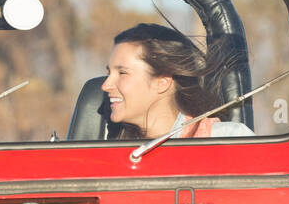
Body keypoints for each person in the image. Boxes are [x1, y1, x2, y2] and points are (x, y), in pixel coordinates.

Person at [100, 23, 253, 139]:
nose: (105, 85)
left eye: (122, 72)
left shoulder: (228, 140)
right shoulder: (107, 153)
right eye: (109, 72)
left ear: (163, 81)